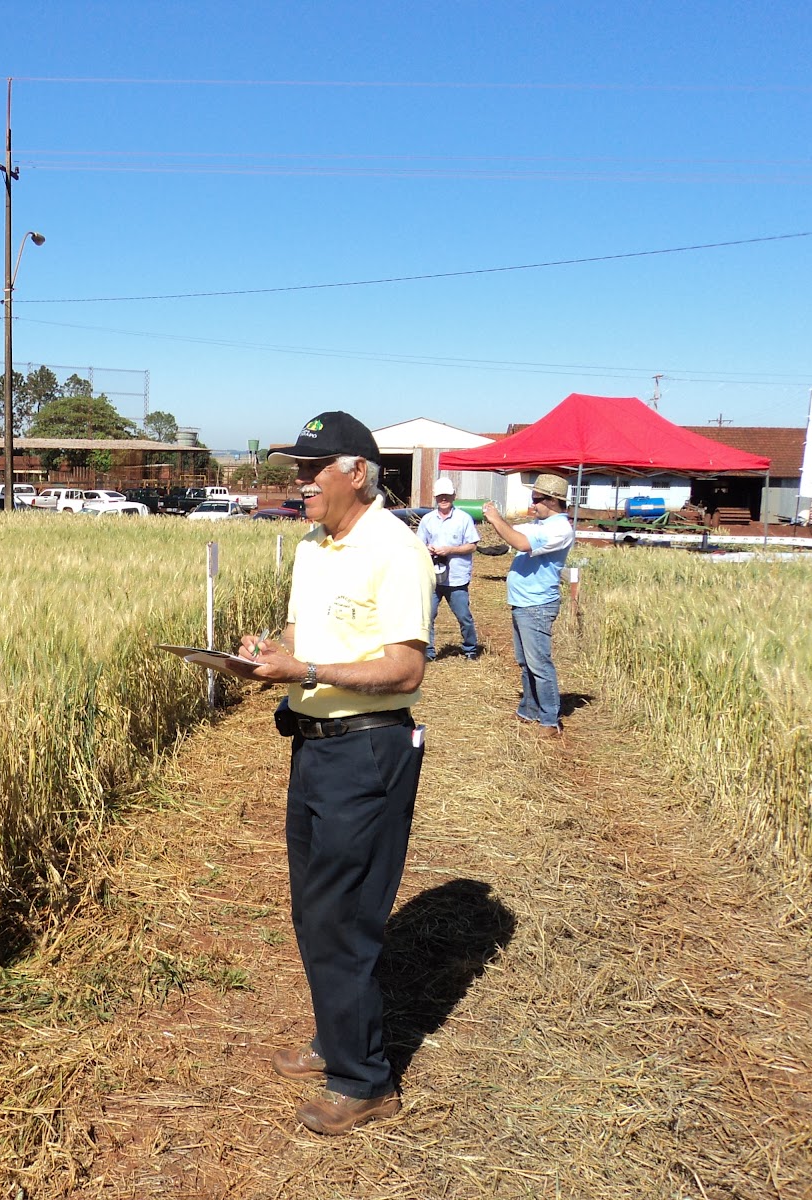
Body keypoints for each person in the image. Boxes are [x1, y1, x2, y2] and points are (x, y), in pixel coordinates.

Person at [220, 411, 433, 1136]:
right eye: (295, 469)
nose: (299, 481)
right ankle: (335, 1039)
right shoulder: (314, 546)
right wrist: (268, 650)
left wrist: (304, 668)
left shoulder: (395, 549)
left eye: (312, 469)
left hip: (367, 749)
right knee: (314, 908)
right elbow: (300, 634)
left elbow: (407, 667)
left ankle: (365, 1081)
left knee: (344, 914)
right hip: (313, 745)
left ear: (355, 473)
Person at [482, 473, 575, 736]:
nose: (533, 504)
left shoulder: (559, 529)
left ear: (554, 501)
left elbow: (520, 542)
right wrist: (495, 518)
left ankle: (550, 720)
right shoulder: (541, 524)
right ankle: (529, 709)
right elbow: (512, 533)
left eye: (537, 499)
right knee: (525, 662)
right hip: (524, 603)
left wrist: (496, 518)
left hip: (537, 605)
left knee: (539, 665)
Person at [416, 477, 480, 661]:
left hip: (457, 578)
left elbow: (472, 546)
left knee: (464, 616)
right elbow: (419, 544)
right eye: (440, 496)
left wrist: (450, 550)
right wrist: (428, 549)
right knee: (428, 616)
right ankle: (428, 653)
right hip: (433, 577)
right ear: (435, 497)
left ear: (453, 496)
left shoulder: (464, 519)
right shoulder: (427, 520)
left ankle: (470, 649)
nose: (443, 499)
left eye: (447, 495)